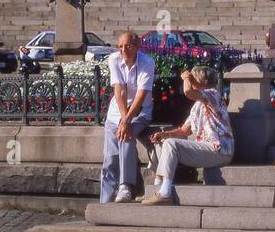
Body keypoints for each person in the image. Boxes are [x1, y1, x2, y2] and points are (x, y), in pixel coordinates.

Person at [141, 66, 234, 205]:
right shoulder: (198, 105)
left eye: (192, 78)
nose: (190, 80)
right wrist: (164, 134)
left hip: (219, 150)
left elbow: (188, 91)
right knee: (164, 142)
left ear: (203, 82)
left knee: (171, 144)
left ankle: (165, 193)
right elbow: (184, 130)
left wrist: (185, 77)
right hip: (205, 148)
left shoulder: (213, 94)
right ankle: (156, 189)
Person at [99, 30, 155, 203]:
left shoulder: (147, 62)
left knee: (126, 137)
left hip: (140, 111)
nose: (123, 50)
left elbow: (141, 94)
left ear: (138, 46)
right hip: (117, 112)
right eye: (120, 46)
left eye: (127, 46)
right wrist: (124, 119)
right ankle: (105, 199)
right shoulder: (114, 59)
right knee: (110, 156)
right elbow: (120, 89)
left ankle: (126, 186)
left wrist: (128, 121)